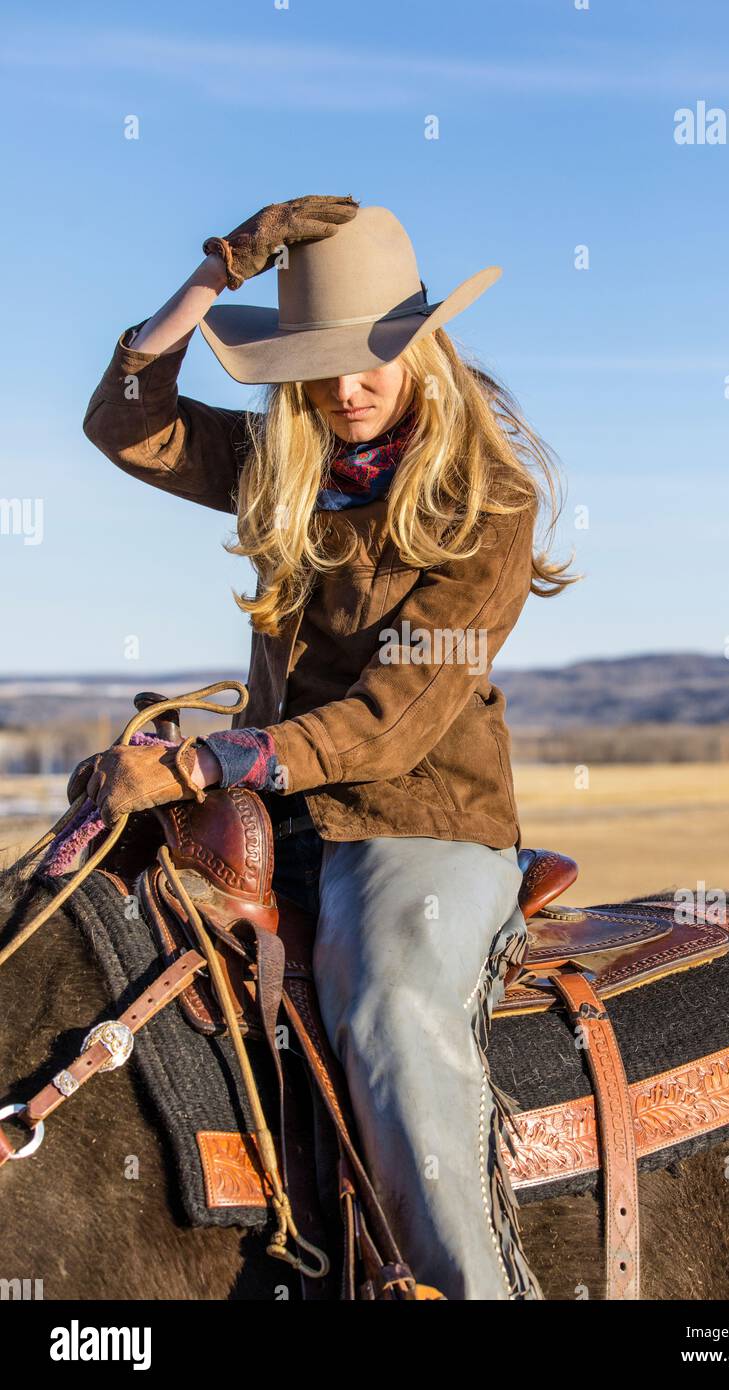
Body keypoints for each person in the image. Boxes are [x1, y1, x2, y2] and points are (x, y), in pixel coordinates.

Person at [75, 196, 574, 1300]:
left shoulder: (488, 503)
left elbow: (395, 718)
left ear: (420, 350)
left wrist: (213, 762)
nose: (346, 389)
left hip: (415, 816)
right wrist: (213, 275)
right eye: (318, 365)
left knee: (388, 1001)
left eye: (371, 360)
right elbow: (122, 421)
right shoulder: (281, 458)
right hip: (281, 806)